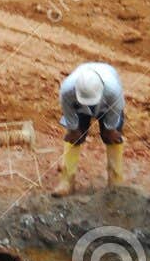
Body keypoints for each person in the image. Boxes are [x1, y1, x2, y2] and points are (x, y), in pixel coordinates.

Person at [53, 62, 125, 195]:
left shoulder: (113, 90)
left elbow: (116, 110)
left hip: (108, 106)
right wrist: (73, 129)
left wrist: (111, 128)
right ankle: (66, 181)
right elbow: (68, 110)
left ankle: (116, 182)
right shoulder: (68, 89)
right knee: (73, 139)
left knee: (113, 138)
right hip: (78, 107)